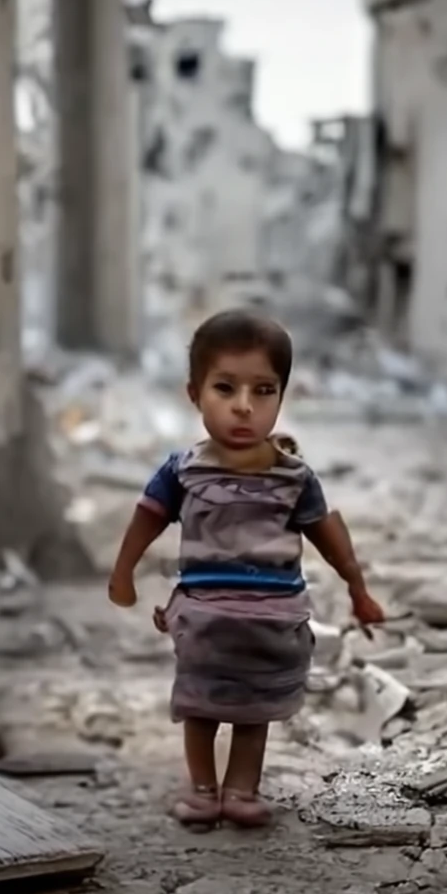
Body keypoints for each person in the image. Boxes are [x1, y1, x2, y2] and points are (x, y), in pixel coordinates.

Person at [107, 309, 385, 828]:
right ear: (195, 394)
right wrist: (122, 572)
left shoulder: (294, 477)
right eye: (225, 388)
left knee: (256, 707)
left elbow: (329, 536)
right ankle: (203, 789)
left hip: (273, 621)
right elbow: (147, 519)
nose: (243, 407)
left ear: (282, 396)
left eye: (263, 391)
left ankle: (242, 789)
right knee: (200, 703)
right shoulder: (183, 471)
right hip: (205, 616)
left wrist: (358, 590)